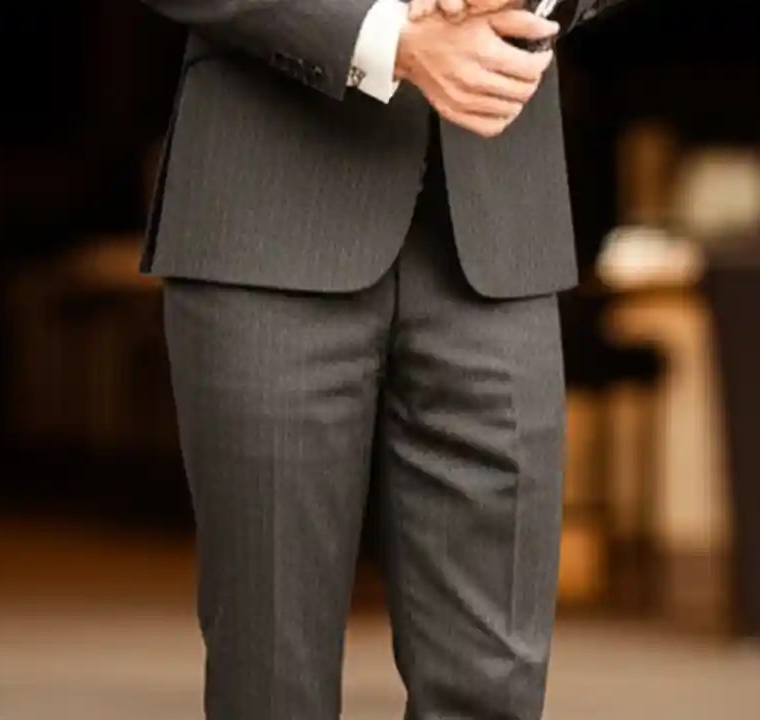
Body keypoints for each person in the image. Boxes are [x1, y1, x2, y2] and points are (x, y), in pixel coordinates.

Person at [138, 1, 593, 717]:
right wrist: (386, 39)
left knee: (494, 687)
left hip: (499, 227)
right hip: (266, 218)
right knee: (271, 683)